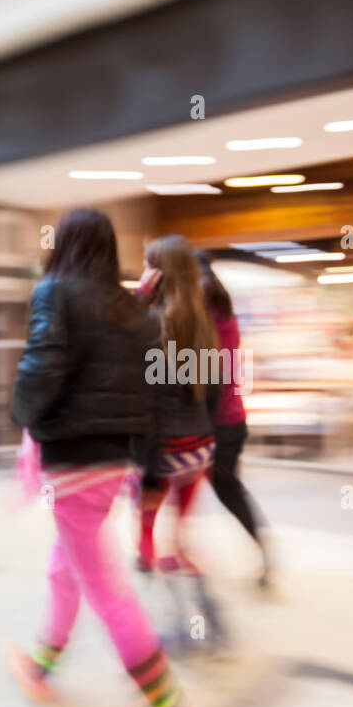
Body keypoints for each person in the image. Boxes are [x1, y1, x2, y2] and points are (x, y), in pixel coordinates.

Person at [6, 208, 203, 707]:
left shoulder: (54, 293)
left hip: (70, 463)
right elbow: (135, 385)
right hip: (113, 462)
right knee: (64, 564)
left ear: (63, 244)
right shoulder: (132, 312)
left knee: (107, 592)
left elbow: (41, 368)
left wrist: (19, 414)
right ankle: (41, 664)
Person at [133, 236, 227, 647]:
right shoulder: (203, 323)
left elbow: (147, 399)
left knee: (148, 495)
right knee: (182, 522)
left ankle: (151, 551)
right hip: (201, 446)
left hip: (168, 449)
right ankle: (181, 555)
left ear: (157, 275)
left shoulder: (155, 323)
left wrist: (139, 301)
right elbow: (214, 392)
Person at [198, 257, 272, 591]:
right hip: (232, 420)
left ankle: (168, 560)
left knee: (217, 488)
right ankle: (262, 547)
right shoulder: (224, 313)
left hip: (215, 424)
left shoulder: (203, 316)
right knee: (229, 489)